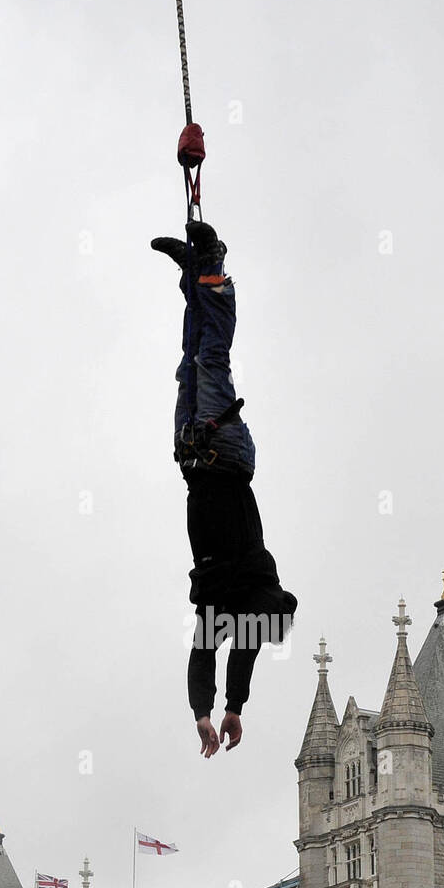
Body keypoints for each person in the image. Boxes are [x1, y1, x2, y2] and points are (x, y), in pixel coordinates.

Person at [152, 220, 297, 758]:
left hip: (194, 459)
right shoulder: (257, 592)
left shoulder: (219, 607)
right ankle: (212, 266)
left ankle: (194, 278)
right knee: (212, 361)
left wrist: (204, 713)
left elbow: (204, 655)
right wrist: (233, 706)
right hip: (224, 454)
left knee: (188, 367)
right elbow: (240, 654)